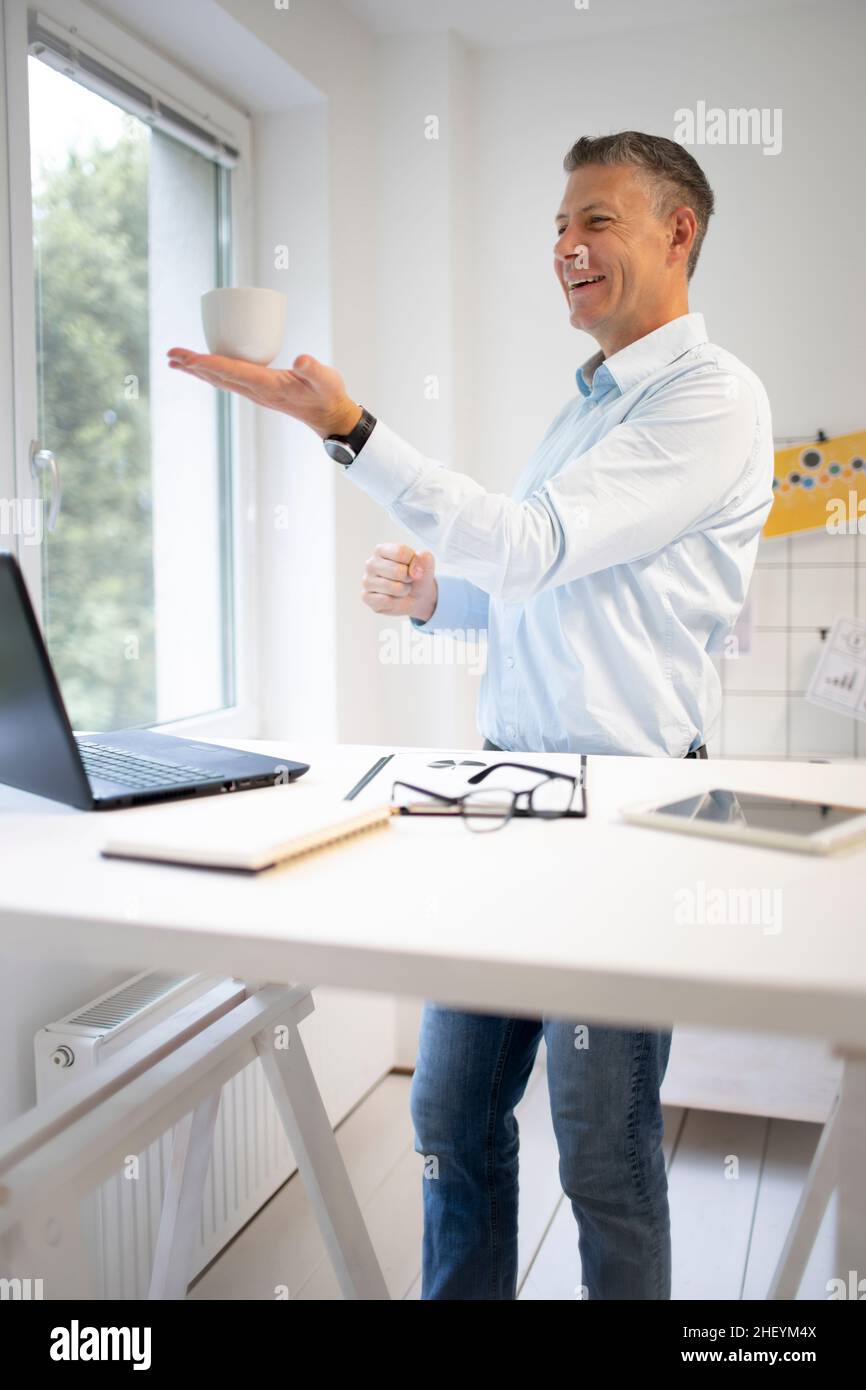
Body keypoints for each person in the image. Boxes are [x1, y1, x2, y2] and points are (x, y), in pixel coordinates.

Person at [168, 131, 774, 1299]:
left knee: (600, 1153)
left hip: (623, 815)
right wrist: (444, 598)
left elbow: (533, 546)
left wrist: (349, 427)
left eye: (594, 219)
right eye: (558, 225)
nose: (565, 246)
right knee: (447, 1115)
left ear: (676, 230)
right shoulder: (584, 407)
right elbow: (545, 596)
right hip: (503, 798)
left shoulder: (711, 400)